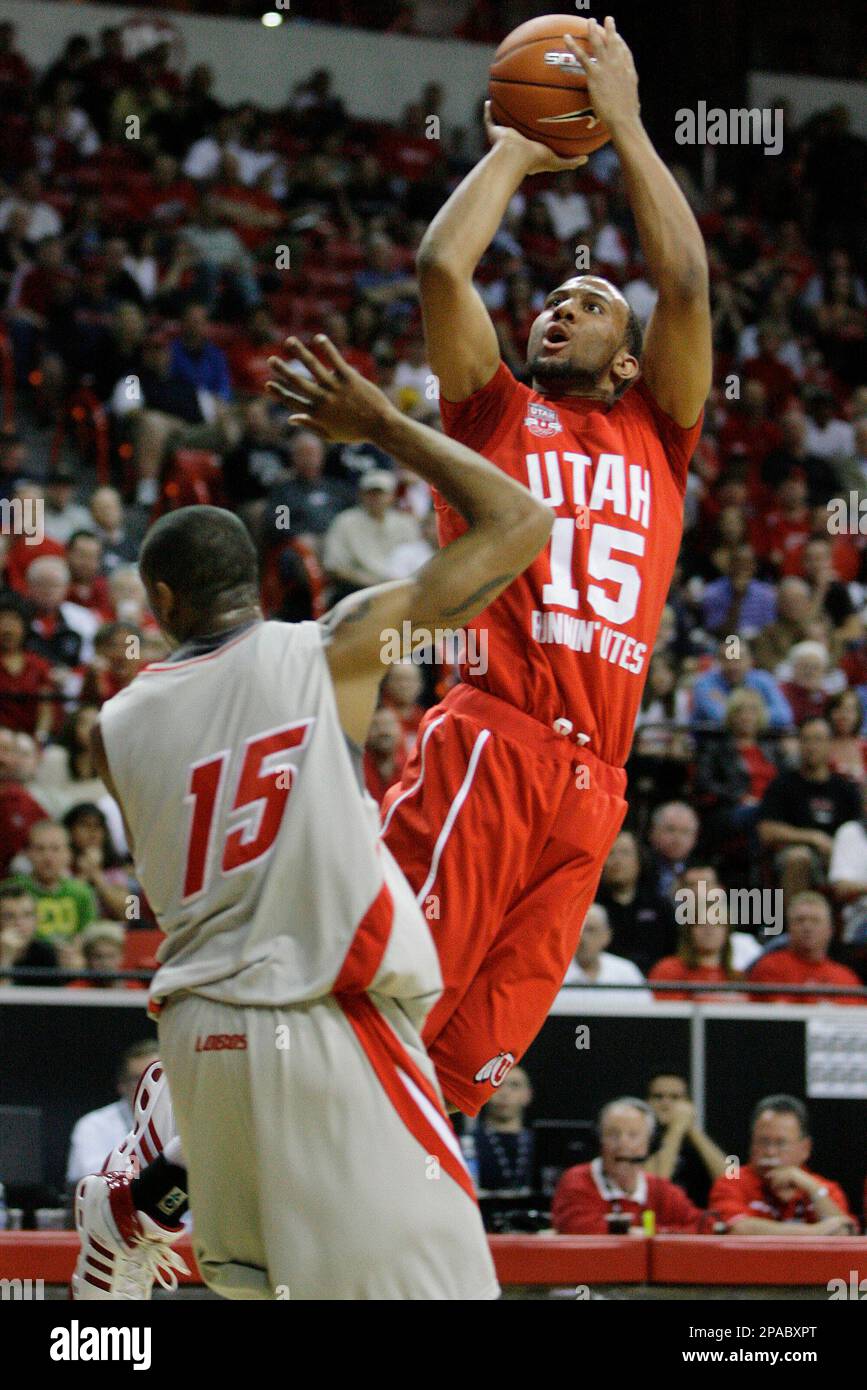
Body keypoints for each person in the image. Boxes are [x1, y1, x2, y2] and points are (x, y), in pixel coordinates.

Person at [74, 332, 552, 1301]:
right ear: (254, 579)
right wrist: (382, 424)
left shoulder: (110, 726)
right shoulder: (331, 647)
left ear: (160, 601)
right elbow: (522, 522)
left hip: (199, 1050)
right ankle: (134, 1193)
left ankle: (140, 1193)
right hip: (324, 1020)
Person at [552, 1097, 705, 1234]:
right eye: (613, 1134)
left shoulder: (660, 1189)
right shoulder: (577, 1181)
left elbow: (704, 1227)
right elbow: (580, 1229)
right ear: (599, 1141)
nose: (623, 1144)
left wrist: (647, 1233)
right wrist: (645, 1234)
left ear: (649, 1144)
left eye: (633, 1135)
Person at [708, 1095, 858, 1235]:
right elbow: (738, 1229)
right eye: (763, 1141)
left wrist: (812, 1188)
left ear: (805, 1148)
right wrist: (816, 1232)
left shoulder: (823, 1188)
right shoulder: (731, 1182)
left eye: (781, 1143)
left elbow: (845, 1233)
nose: (771, 1152)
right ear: (752, 1144)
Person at [757, 718, 862, 898]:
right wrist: (813, 837)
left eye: (818, 740)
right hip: (797, 853)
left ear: (830, 744)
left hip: (838, 856)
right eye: (806, 740)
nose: (812, 746)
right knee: (799, 857)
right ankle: (795, 922)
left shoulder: (845, 789)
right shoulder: (783, 784)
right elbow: (766, 831)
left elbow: (858, 831)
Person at [66, 1042, 160, 1188]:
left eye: (157, 1077)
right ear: (121, 1085)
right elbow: (100, 1181)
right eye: (138, 1079)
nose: (149, 1085)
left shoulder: (184, 1121)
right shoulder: (94, 1126)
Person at [747, 891, 864, 1005]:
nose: (807, 927)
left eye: (815, 921)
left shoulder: (846, 978)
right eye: (800, 920)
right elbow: (780, 1016)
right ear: (789, 928)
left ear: (830, 930)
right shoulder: (770, 967)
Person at [595, 830, 677, 974]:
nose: (617, 861)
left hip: (654, 983)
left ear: (640, 860)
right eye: (611, 852)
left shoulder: (660, 906)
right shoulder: (590, 907)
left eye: (625, 853)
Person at [644, 1074, 727, 1208]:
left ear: (688, 1104)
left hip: (698, 1222)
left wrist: (692, 1130)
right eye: (658, 1097)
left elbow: (733, 1178)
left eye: (675, 1097)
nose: (666, 1103)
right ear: (647, 1102)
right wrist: (676, 1128)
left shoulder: (711, 1138)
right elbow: (654, 1186)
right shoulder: (638, 1142)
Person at [558, 902, 652, 1005]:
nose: (583, 939)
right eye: (578, 931)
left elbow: (647, 1011)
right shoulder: (557, 972)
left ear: (606, 935)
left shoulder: (626, 971)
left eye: (591, 930)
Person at [475, 1065, 535, 1196]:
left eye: (514, 1085)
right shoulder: (468, 1144)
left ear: (527, 1094)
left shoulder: (540, 1144)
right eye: (497, 1083)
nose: (504, 1093)